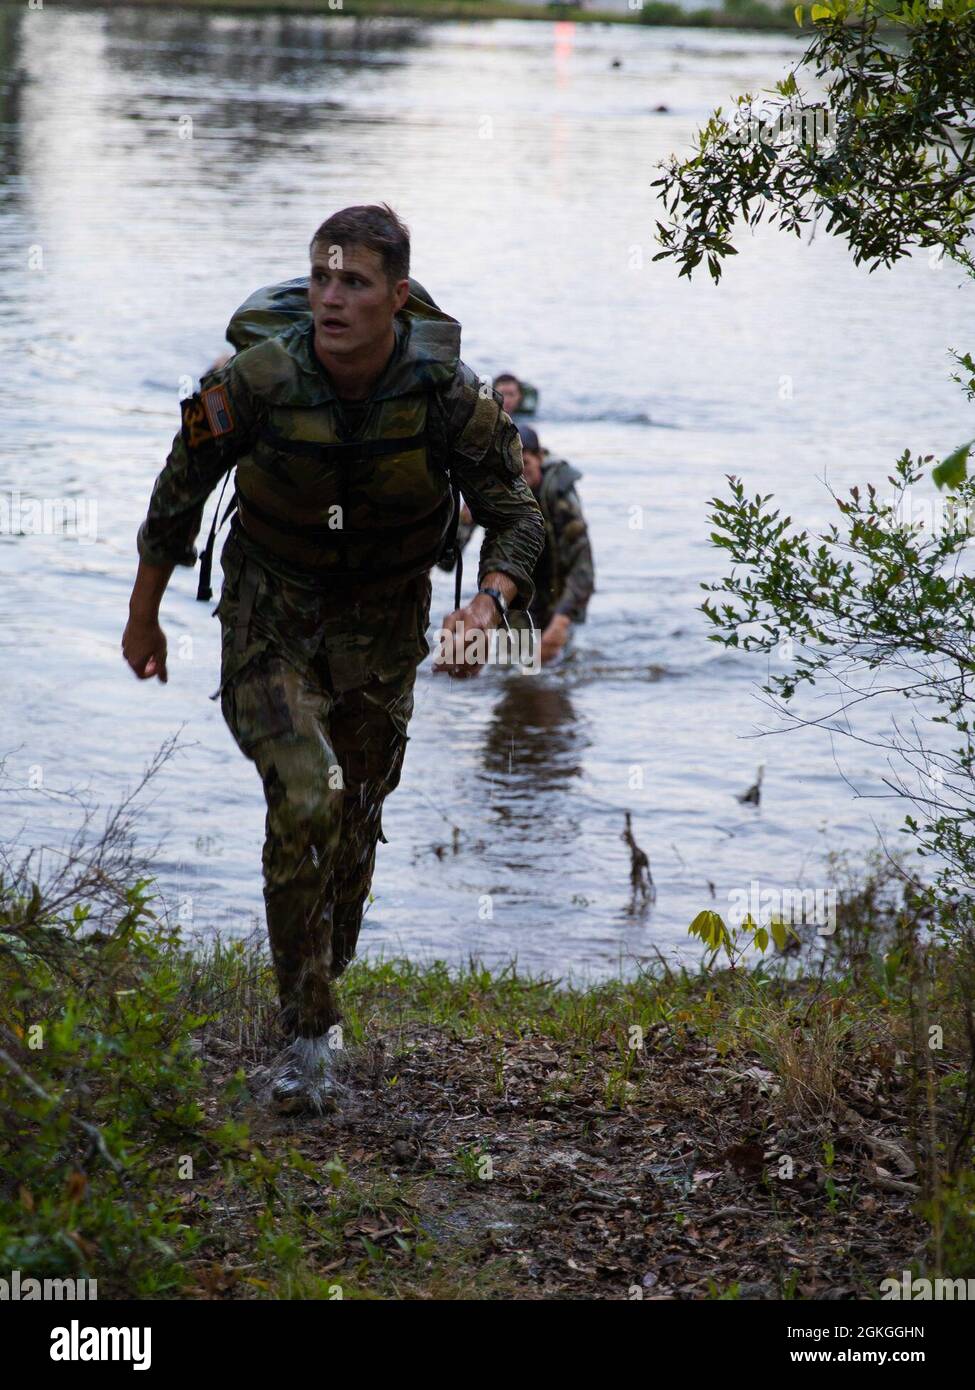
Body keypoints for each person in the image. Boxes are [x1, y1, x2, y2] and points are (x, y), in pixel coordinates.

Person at [121, 204, 544, 1114]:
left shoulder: (446, 396)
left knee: (353, 826)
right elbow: (177, 493)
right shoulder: (258, 379)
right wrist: (142, 618)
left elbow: (519, 514)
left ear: (396, 296)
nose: (330, 297)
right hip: (270, 613)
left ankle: (324, 969)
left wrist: (486, 602)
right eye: (320, 277)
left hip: (385, 628)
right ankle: (305, 1034)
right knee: (306, 790)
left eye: (353, 282)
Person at [440, 422, 594, 666]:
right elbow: (447, 561)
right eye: (514, 467)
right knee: (515, 668)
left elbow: (582, 566)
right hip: (514, 594)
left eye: (526, 464)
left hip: (556, 595)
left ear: (539, 458)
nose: (520, 474)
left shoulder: (559, 495)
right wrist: (463, 522)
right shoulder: (497, 491)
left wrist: (563, 620)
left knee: (556, 668)